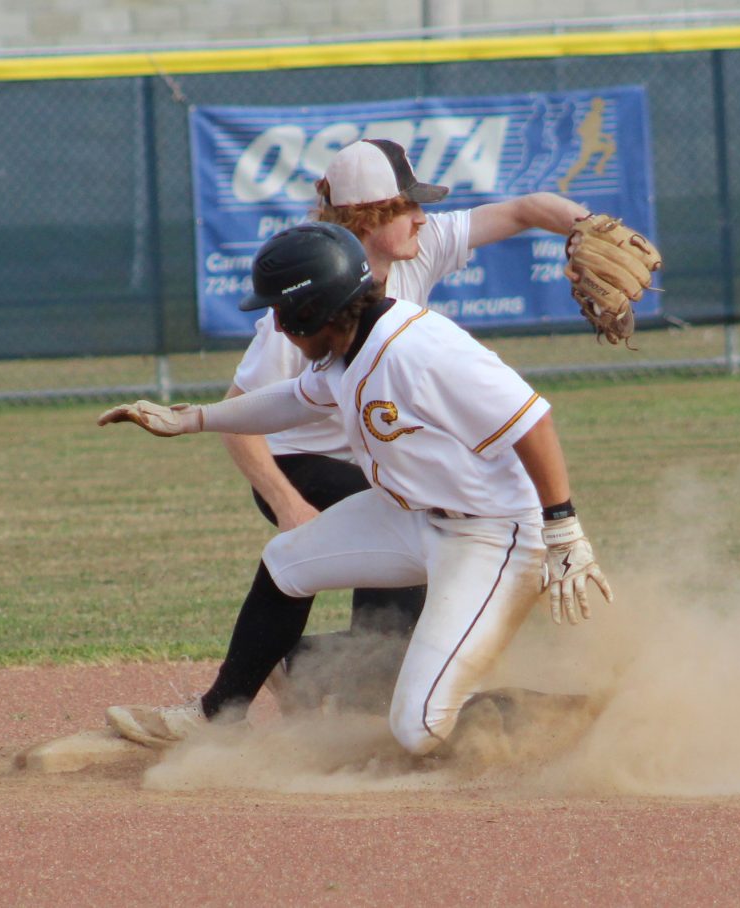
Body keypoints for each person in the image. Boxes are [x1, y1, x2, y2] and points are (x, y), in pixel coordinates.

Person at [106, 138, 593, 746]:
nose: (276, 325)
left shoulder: (415, 346)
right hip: (414, 513)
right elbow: (294, 398)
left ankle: (583, 718)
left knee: (418, 729)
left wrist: (562, 527)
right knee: (287, 563)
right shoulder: (344, 344)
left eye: (284, 315)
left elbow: (531, 419)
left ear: (316, 311)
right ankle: (219, 718)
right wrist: (193, 419)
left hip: (491, 534)